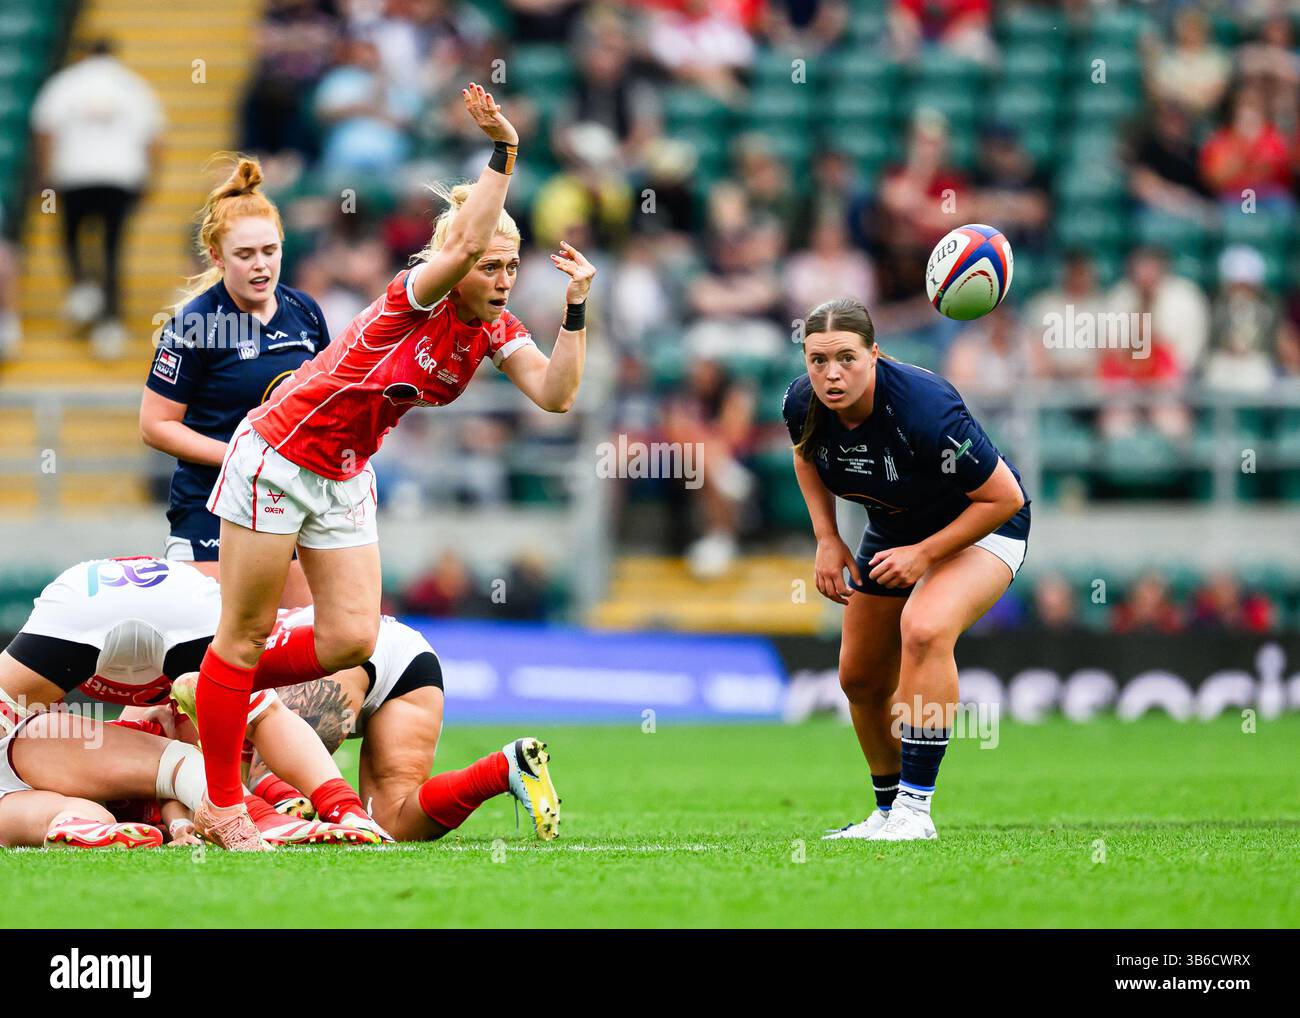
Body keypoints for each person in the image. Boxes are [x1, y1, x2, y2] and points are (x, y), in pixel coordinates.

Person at [194, 83, 593, 849]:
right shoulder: (417, 296)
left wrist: (575, 308)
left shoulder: (493, 328)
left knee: (348, 640)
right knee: (243, 634)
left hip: (344, 473)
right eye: (493, 265)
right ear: (462, 260)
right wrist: (504, 151)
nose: (504, 278)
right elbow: (466, 242)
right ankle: (222, 803)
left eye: (513, 267)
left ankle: (217, 683)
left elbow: (556, 393)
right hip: (279, 452)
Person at [783, 297, 1029, 841]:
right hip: (897, 532)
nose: (831, 374)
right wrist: (827, 538)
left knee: (924, 627)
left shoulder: (923, 406)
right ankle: (888, 810)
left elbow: (1004, 498)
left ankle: (916, 813)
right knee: (860, 676)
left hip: (981, 527)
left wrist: (925, 554)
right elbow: (804, 455)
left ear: (875, 354)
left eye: (846, 357)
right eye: (817, 360)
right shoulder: (803, 403)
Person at [0, 556, 389, 848]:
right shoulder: (172, 721)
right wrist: (180, 826)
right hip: (164, 599)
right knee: (248, 721)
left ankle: (271, 814)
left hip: (82, 614)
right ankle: (320, 809)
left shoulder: (147, 723)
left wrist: (180, 824)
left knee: (185, 763)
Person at [193, 604, 560, 843]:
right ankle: (502, 769)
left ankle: (295, 807)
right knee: (393, 823)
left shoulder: (213, 656)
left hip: (341, 655)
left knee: (263, 777)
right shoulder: (234, 629)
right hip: (411, 655)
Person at [140, 157, 328, 607]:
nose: (260, 265)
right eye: (245, 255)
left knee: (298, 652)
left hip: (289, 505)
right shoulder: (194, 324)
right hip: (210, 509)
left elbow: (325, 402)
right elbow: (155, 425)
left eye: (270, 250)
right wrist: (241, 457)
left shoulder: (304, 312)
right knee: (203, 655)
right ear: (218, 257)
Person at [30, 38, 165, 358]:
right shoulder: (134, 87)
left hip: (74, 174)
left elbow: (44, 130)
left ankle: (84, 289)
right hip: (120, 177)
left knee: (71, 237)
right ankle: (110, 322)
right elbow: (155, 137)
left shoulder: (65, 83)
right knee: (112, 249)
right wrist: (150, 178)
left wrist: (46, 175)